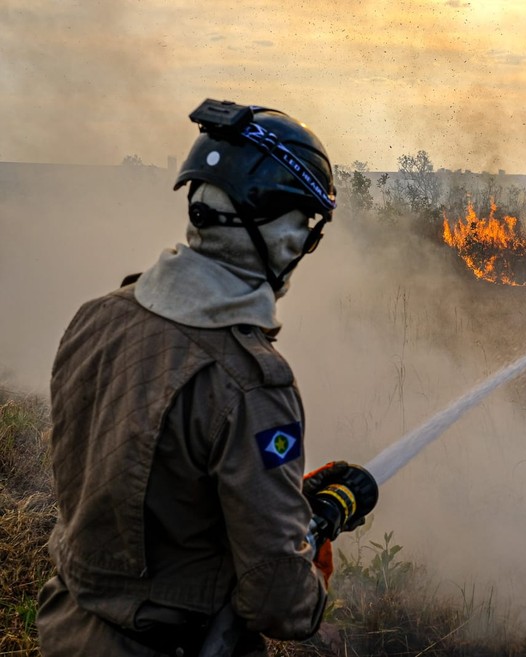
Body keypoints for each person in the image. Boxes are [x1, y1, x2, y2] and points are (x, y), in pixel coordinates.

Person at [37, 100, 378, 657]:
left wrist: (284, 502)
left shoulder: (98, 318)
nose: (301, 247)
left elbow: (153, 490)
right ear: (277, 233)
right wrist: (308, 543)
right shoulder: (251, 385)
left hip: (70, 630)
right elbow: (277, 602)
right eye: (303, 230)